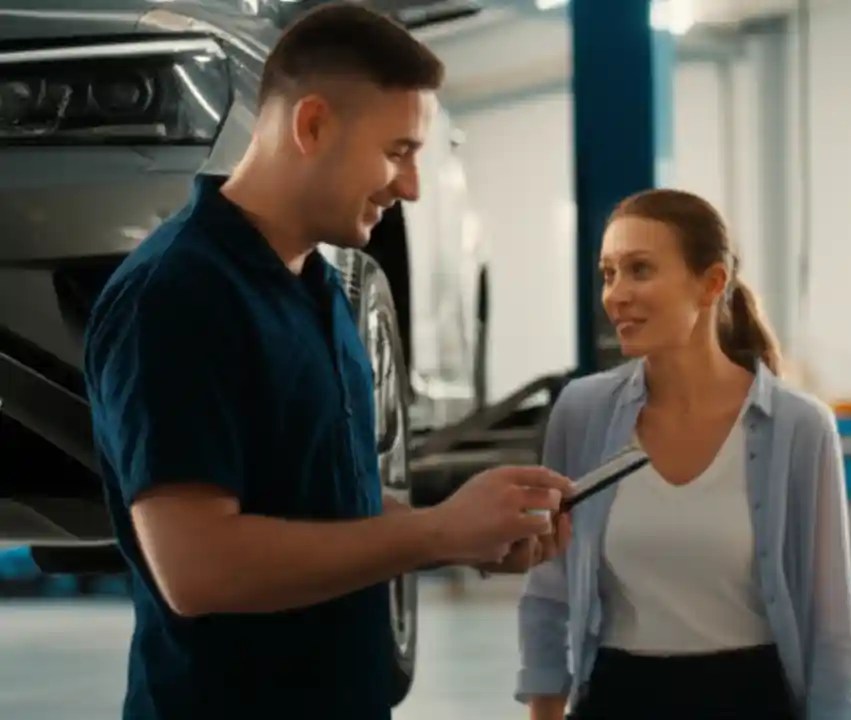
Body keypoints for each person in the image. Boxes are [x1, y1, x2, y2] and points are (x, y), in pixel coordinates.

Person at [82, 5, 572, 719]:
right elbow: (199, 567)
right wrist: (433, 533)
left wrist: (467, 532)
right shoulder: (177, 295)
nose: (412, 188)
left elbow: (334, 508)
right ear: (311, 126)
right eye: (398, 151)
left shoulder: (321, 290)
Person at [516, 189, 851, 719]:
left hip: (750, 701)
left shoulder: (799, 427)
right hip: (617, 699)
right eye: (608, 274)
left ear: (711, 283)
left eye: (640, 270)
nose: (616, 295)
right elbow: (550, 588)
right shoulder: (582, 413)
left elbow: (830, 625)